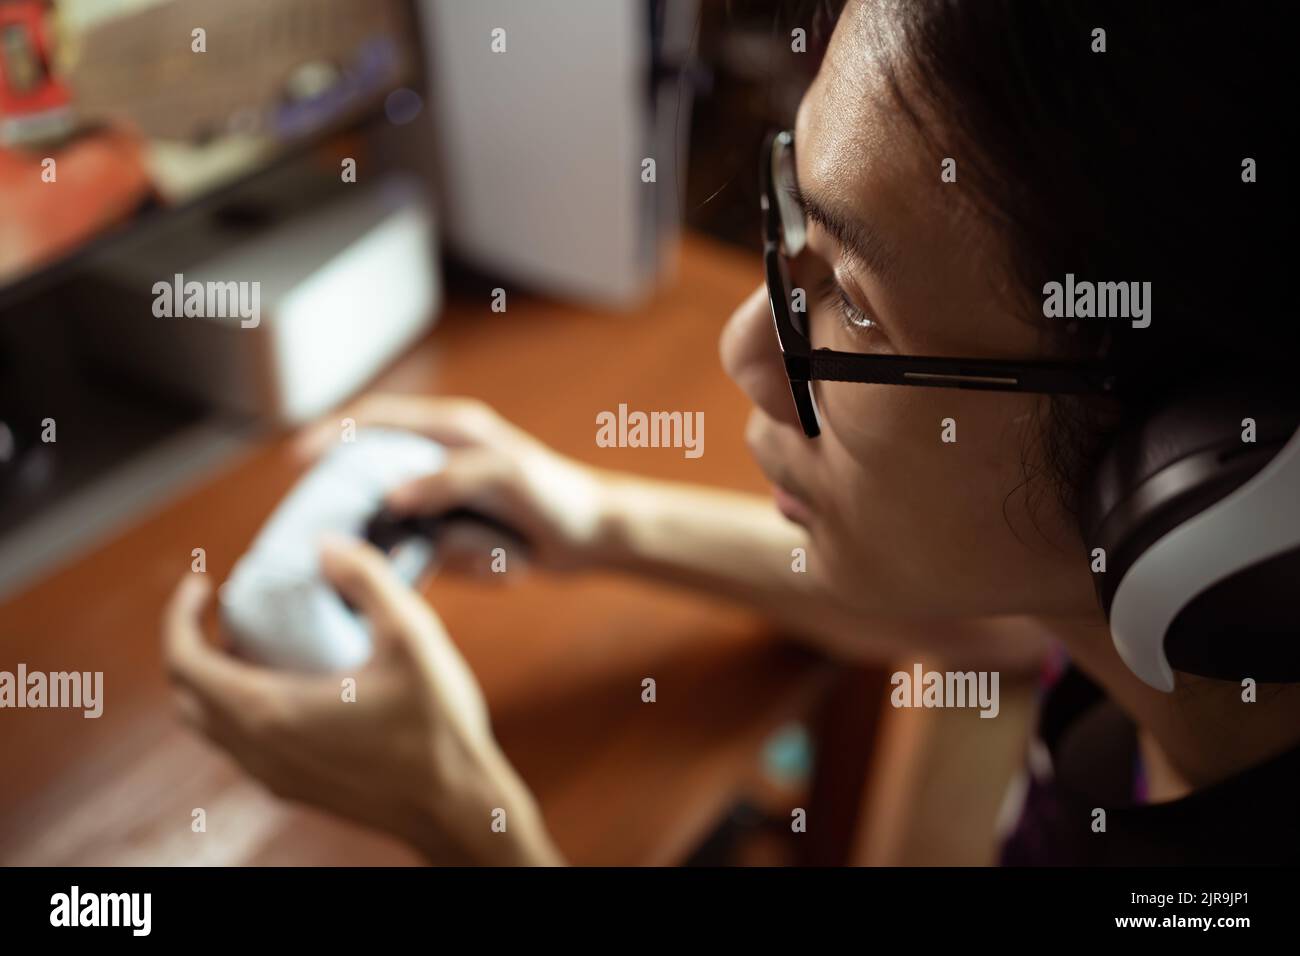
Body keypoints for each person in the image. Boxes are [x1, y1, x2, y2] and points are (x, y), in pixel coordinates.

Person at [162, 0, 1293, 865]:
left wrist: (468, 820)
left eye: (851, 295)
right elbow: (1007, 629)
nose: (745, 350)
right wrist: (594, 518)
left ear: (1198, 480)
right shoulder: (1159, 645)